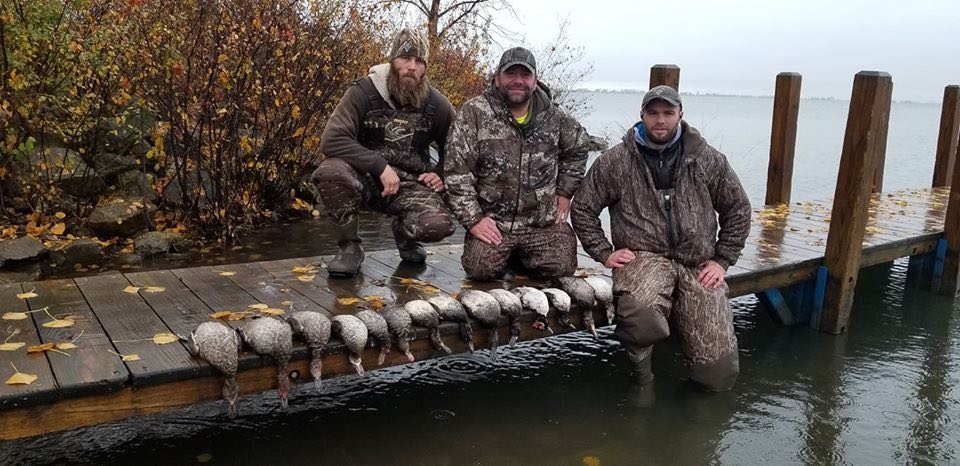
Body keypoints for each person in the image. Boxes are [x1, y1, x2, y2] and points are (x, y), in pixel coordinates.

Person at [570, 85, 751, 392]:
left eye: (668, 113)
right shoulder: (616, 160)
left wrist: (722, 260)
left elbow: (738, 209)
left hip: (698, 264)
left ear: (680, 115)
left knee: (718, 376)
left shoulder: (707, 159)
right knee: (642, 321)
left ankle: (695, 411)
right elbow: (584, 208)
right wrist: (603, 252)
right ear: (641, 116)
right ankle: (642, 376)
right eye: (653, 113)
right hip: (644, 259)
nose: (660, 120)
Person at [312, 28, 456, 277]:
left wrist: (441, 171)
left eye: (419, 61)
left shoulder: (437, 104)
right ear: (392, 61)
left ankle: (405, 235)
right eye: (405, 58)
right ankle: (350, 248)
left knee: (439, 226)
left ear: (425, 68)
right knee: (330, 172)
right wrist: (378, 166)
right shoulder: (363, 92)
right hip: (365, 179)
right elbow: (332, 140)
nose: (412, 66)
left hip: (411, 186)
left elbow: (458, 148)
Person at [444, 47, 588, 280]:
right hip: (495, 222)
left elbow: (578, 149)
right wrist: (474, 220)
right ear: (498, 77)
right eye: (511, 74)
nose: (518, 81)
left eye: (525, 75)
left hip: (541, 223)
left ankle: (521, 257)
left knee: (562, 266)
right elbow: (457, 173)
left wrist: (565, 192)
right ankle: (509, 255)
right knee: (480, 269)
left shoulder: (555, 117)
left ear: (535, 80)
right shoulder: (474, 113)